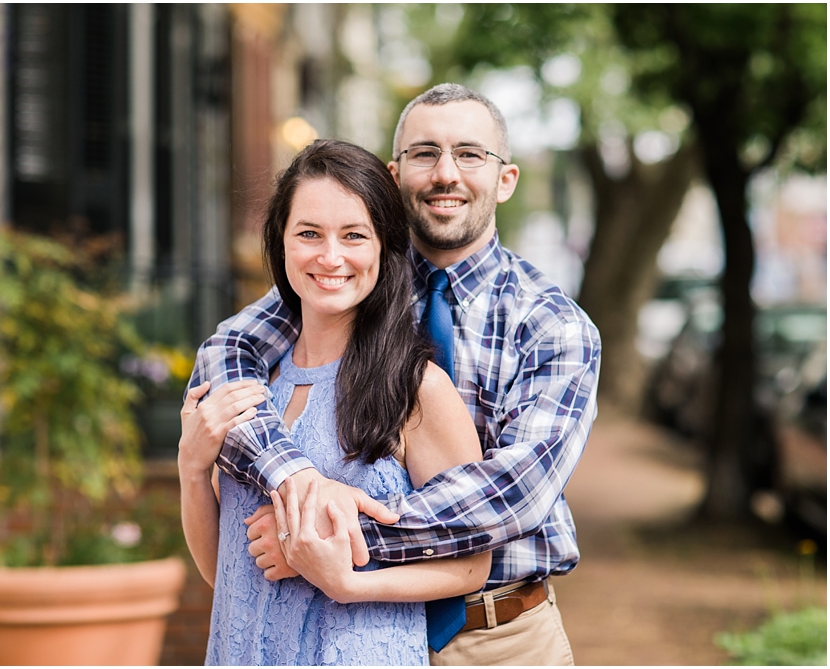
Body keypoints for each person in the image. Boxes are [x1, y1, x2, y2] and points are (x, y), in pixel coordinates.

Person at [188, 83, 601, 665]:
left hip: (497, 633)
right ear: (394, 173)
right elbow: (223, 358)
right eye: (424, 153)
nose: (445, 174)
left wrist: (326, 539)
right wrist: (289, 477)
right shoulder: (352, 279)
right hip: (340, 626)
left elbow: (513, 496)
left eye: (470, 154)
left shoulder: (552, 325)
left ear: (505, 179)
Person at [178, 139, 491, 665]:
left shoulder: (417, 388)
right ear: (280, 244)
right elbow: (225, 569)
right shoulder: (253, 385)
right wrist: (191, 468)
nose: (330, 257)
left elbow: (471, 565)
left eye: (353, 236)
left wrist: (346, 582)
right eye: (308, 234)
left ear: (384, 248)